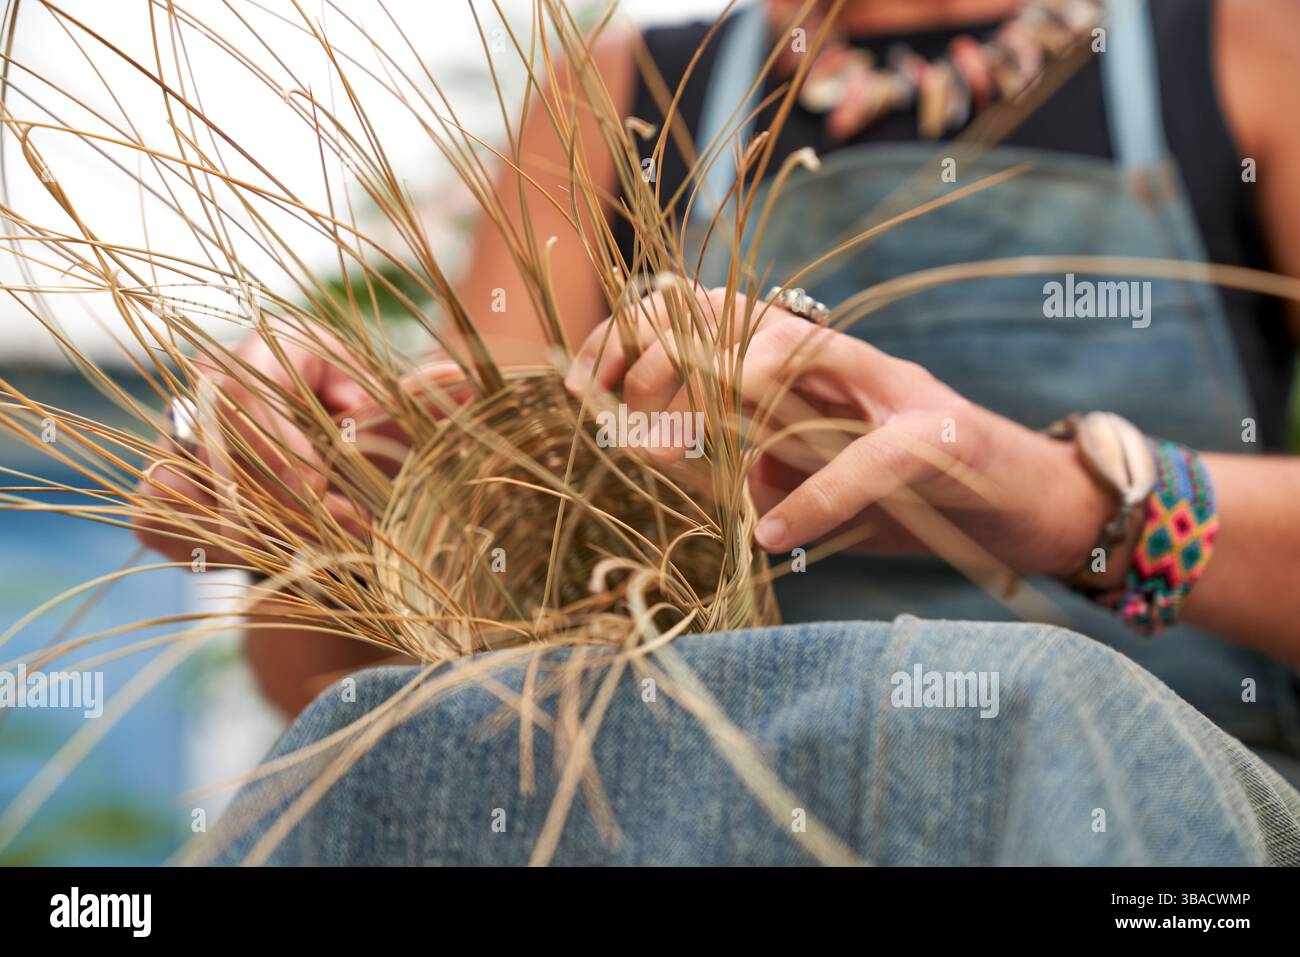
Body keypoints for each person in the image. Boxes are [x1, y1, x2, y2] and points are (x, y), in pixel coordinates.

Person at [141, 0, 1300, 862]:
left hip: (1158, 813)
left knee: (1020, 702)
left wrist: (1065, 505)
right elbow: (345, 690)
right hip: (690, 813)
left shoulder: (1249, 49)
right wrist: (316, 518)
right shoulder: (605, 100)